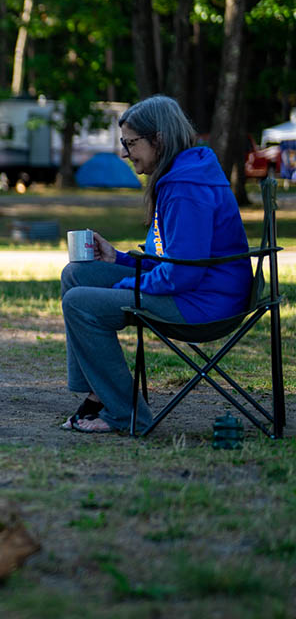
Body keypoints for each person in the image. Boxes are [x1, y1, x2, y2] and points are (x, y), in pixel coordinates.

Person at [59, 95, 251, 434]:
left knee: (80, 302)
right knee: (77, 274)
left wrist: (125, 285)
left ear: (158, 140)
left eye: (131, 143)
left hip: (203, 304)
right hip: (194, 290)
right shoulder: (180, 175)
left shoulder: (185, 188)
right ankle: (98, 393)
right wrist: (117, 260)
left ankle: (124, 413)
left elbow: (183, 274)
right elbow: (171, 258)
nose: (125, 153)